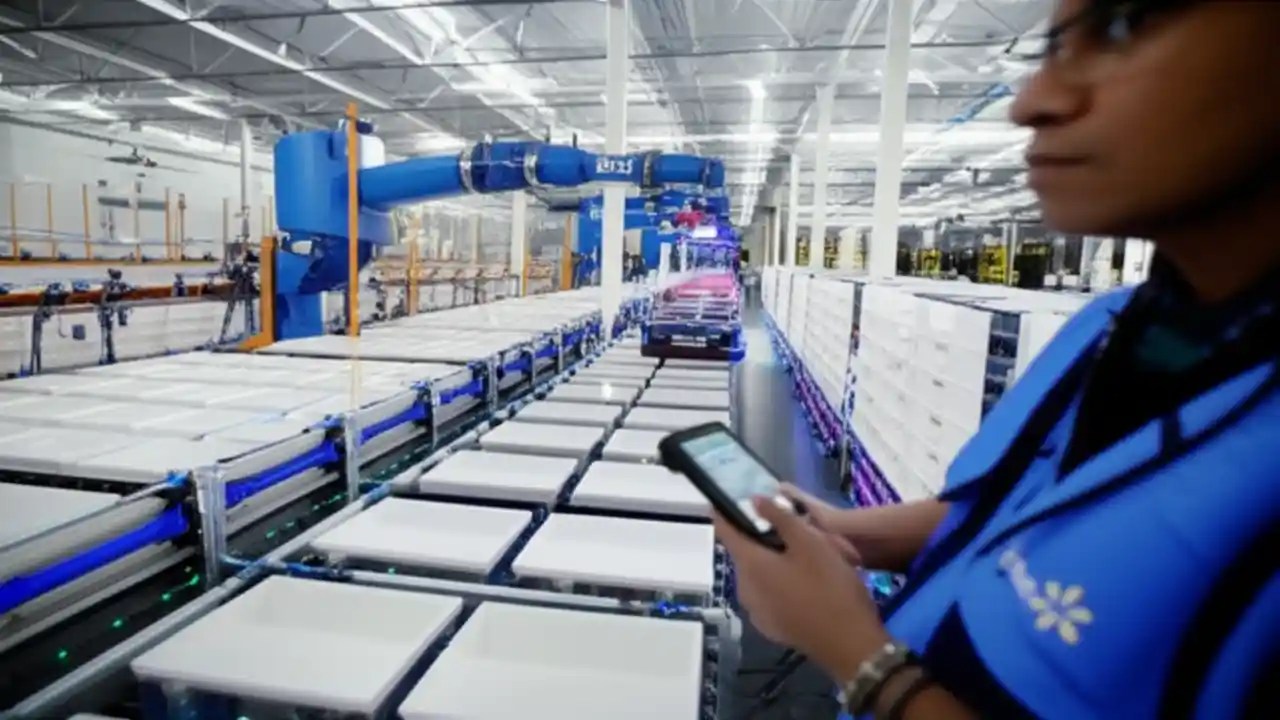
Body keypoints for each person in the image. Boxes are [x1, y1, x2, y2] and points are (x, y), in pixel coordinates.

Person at [713, 1, 1280, 718]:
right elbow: (1015, 513)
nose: (1031, 101)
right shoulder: (1110, 328)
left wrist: (856, 654)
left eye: (1124, 25)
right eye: (1052, 47)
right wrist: (846, 532)